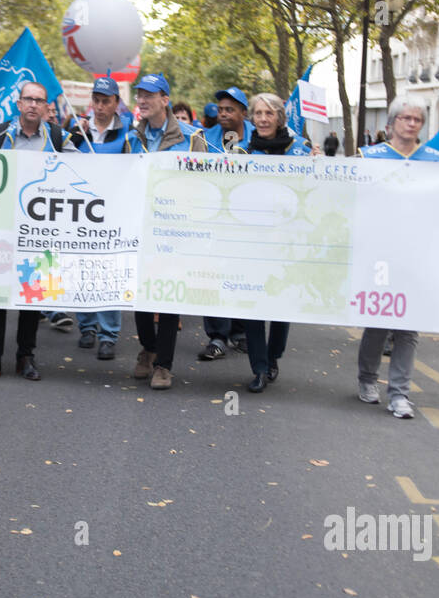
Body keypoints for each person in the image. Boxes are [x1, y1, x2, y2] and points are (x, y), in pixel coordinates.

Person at [359, 95, 439, 418]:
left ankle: (399, 394)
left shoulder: (435, 160)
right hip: (379, 252)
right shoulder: (370, 156)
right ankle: (366, 378)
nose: (411, 124)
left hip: (419, 254)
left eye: (417, 119)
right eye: (405, 118)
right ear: (391, 124)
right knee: (378, 321)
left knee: (409, 325)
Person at [0, 80, 78, 382]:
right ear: (19, 104)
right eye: (28, 99)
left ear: (46, 107)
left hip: (40, 230)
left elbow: (86, 171)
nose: (33, 105)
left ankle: (25, 357)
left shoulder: (58, 137)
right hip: (2, 225)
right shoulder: (1, 134)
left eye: (39, 100)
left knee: (33, 294)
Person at [129, 72, 208, 390]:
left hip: (177, 230)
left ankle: (164, 365)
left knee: (169, 293)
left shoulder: (192, 137)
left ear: (165, 99)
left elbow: (206, 184)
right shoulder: (131, 137)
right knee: (140, 296)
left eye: (149, 95)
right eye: (139, 95)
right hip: (141, 227)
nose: (142, 100)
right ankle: (148, 347)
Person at [234, 92, 306, 392]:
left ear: (280, 117)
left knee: (280, 304)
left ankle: (274, 355)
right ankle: (259, 367)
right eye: (258, 113)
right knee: (252, 305)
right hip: (253, 239)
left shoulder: (299, 149)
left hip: (287, 242)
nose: (262, 119)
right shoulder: (242, 152)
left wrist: (317, 164)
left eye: (269, 113)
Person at [69, 76, 140, 360]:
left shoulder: (128, 134)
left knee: (109, 272)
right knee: (81, 268)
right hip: (81, 213)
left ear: (116, 104)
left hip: (113, 215)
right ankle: (86, 326)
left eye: (105, 101)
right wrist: (75, 135)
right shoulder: (77, 130)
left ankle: (109, 333)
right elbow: (60, 162)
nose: (99, 106)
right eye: (96, 100)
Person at [199, 85, 253, 358]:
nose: (222, 114)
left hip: (248, 223)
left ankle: (240, 331)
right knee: (213, 276)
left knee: (242, 276)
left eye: (229, 110)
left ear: (243, 113)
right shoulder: (203, 138)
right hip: (214, 221)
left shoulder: (260, 137)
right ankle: (218, 336)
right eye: (220, 109)